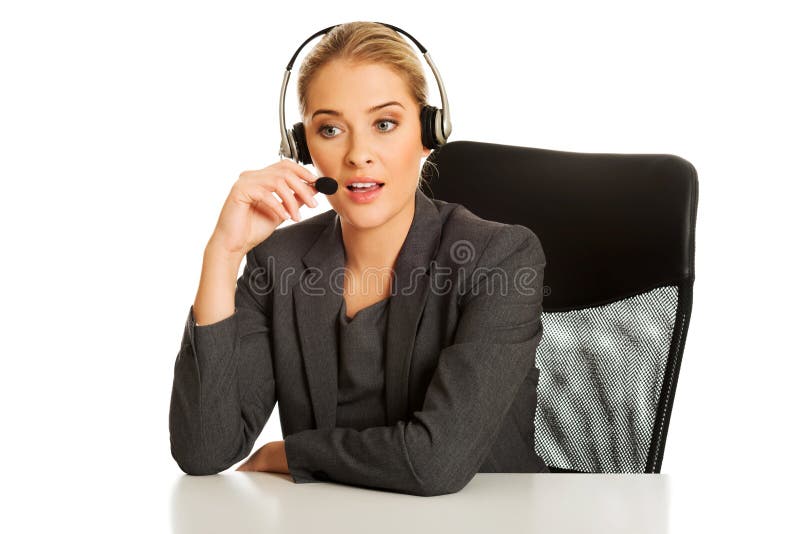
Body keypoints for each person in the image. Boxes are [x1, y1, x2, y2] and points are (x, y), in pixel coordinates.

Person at [169, 21, 549, 497]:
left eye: (384, 124)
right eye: (330, 129)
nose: (358, 154)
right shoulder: (279, 263)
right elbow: (204, 451)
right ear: (303, 147)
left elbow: (436, 464)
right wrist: (222, 256)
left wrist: (289, 453)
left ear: (430, 132)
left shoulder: (499, 259)